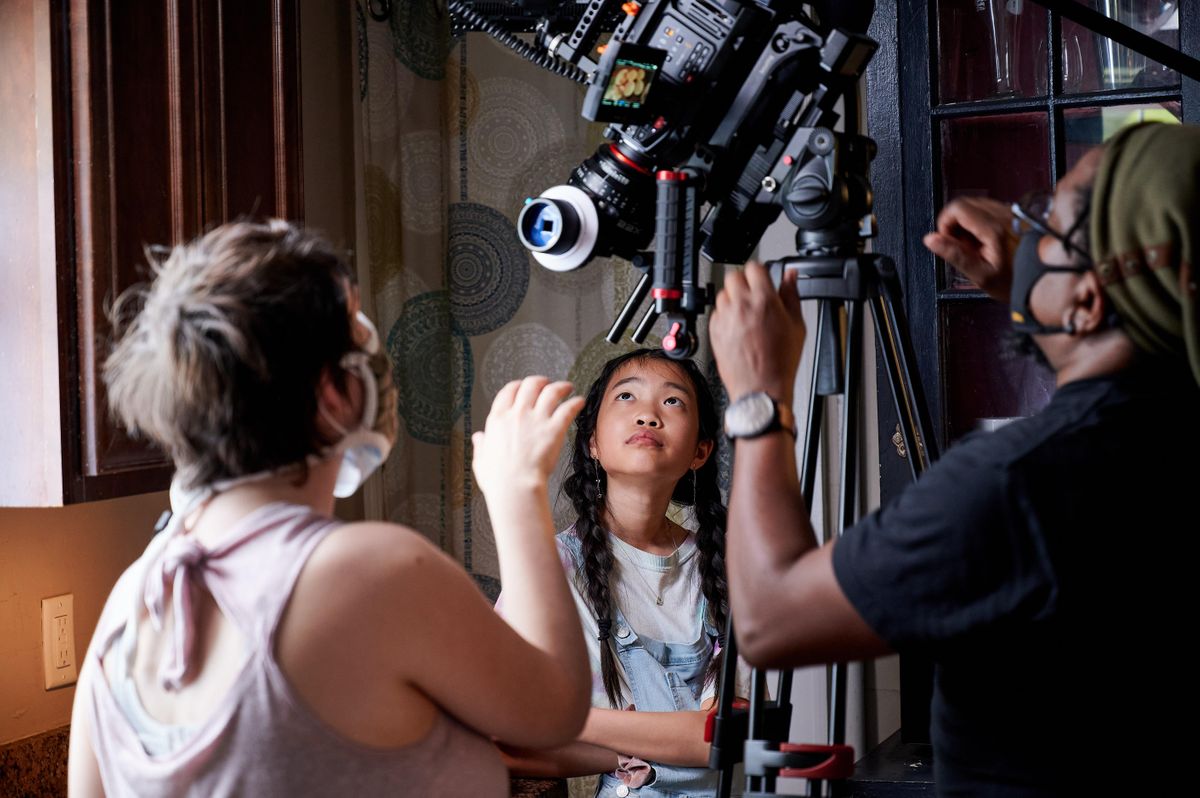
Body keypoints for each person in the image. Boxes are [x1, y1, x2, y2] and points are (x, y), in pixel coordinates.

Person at [708, 121, 1200, 796]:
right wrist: (1035, 282)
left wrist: (760, 398)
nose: (1023, 228)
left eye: (1046, 223)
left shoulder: (1014, 484)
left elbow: (771, 622)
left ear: (1088, 299)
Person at [66, 220, 591, 796]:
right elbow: (556, 708)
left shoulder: (127, 604)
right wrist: (516, 487)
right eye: (357, 339)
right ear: (334, 393)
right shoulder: (368, 570)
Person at [501, 349, 748, 798]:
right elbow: (505, 738)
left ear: (700, 452)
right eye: (627, 396)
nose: (648, 415)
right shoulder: (550, 569)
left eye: (672, 401)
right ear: (592, 442)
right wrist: (618, 754)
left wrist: (568, 722)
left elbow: (723, 736)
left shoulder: (727, 565)